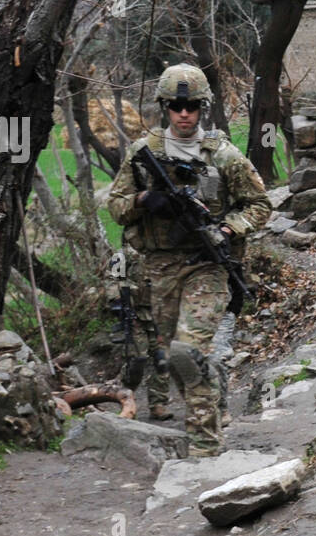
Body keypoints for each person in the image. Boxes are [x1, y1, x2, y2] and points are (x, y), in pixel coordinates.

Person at [108, 64, 272, 456]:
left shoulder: (224, 155)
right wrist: (145, 200)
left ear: (203, 108)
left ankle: (204, 445)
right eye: (177, 107)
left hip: (206, 264)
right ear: (165, 107)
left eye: (192, 106)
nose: (184, 114)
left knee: (188, 351)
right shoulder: (143, 154)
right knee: (169, 355)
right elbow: (114, 206)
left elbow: (260, 205)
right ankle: (210, 406)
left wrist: (228, 229)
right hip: (159, 267)